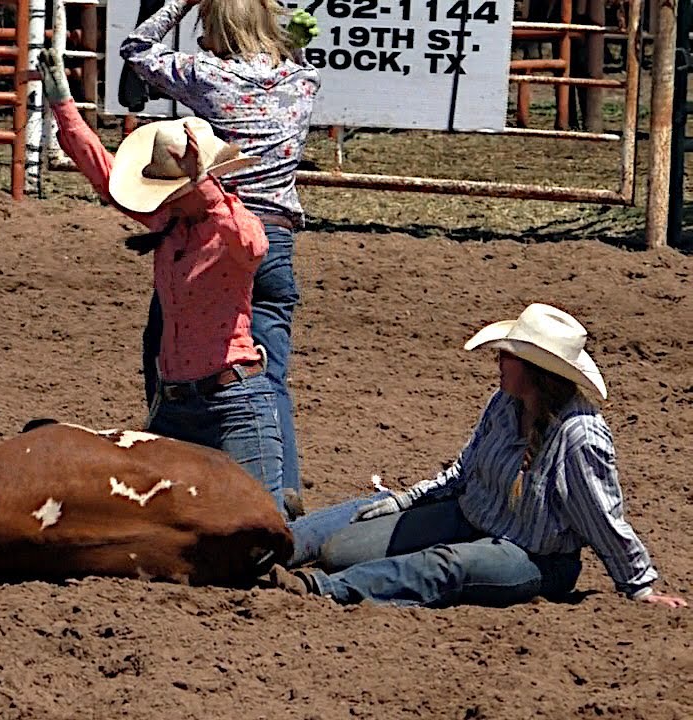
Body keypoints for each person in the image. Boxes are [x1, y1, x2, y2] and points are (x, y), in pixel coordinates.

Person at [262, 303, 687, 609]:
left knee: (446, 565)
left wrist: (639, 585)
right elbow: (463, 472)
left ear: (536, 370)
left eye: (508, 355)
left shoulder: (580, 436)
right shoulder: (503, 404)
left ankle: (320, 589)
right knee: (347, 542)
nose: (498, 360)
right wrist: (406, 500)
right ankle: (267, 544)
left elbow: (603, 517)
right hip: (470, 515)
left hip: (535, 557)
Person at [38, 47, 288, 513]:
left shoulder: (229, 225)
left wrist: (206, 188)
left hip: (231, 402)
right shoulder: (169, 220)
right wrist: (63, 105)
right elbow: (104, 173)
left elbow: (254, 245)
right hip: (181, 403)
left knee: (260, 524)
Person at [121, 0, 320, 513]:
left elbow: (136, 48)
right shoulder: (304, 80)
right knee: (268, 369)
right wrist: (291, 45)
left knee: (168, 348)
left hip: (216, 239)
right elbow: (290, 64)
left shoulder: (209, 77)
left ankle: (176, 469)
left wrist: (177, 4)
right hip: (276, 240)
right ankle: (282, 487)